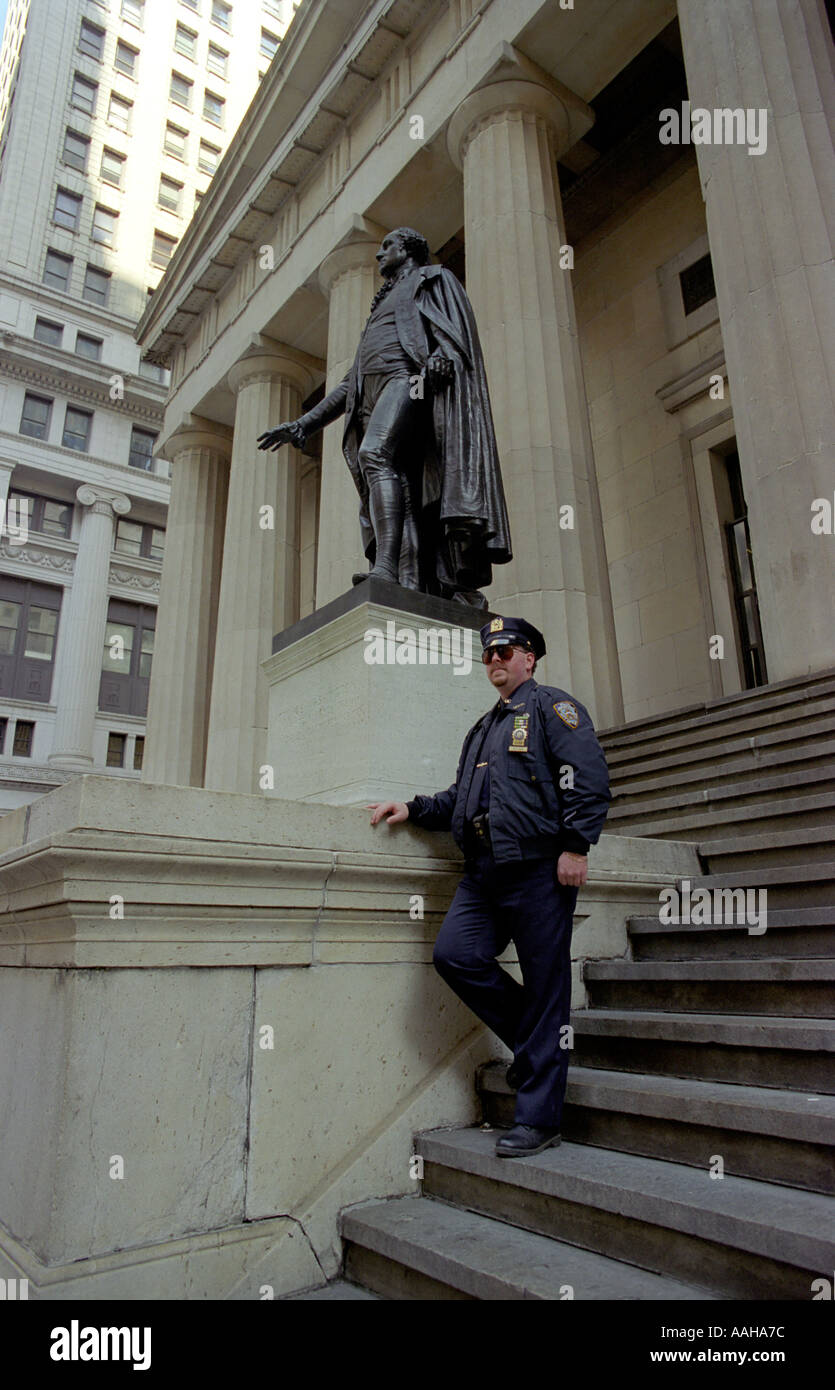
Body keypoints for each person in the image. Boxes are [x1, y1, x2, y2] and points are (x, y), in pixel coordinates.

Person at [368, 616, 610, 1157]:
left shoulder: (553, 707)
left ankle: (539, 1119)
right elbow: (461, 798)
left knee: (546, 987)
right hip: (483, 874)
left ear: (529, 657)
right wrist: (412, 808)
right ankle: (535, 1045)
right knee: (456, 955)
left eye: (506, 650)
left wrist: (576, 845)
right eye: (488, 654)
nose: (496, 659)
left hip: (539, 869)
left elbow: (588, 777)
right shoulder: (482, 728)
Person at [256, 226, 511, 607]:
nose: (378, 255)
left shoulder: (433, 278)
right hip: (372, 393)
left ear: (409, 248)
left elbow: (453, 332)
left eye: (387, 246)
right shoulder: (380, 306)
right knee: (396, 477)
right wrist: (304, 424)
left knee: (373, 453)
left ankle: (386, 567)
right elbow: (349, 383)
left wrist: (443, 355)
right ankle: (406, 576)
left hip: (410, 381)